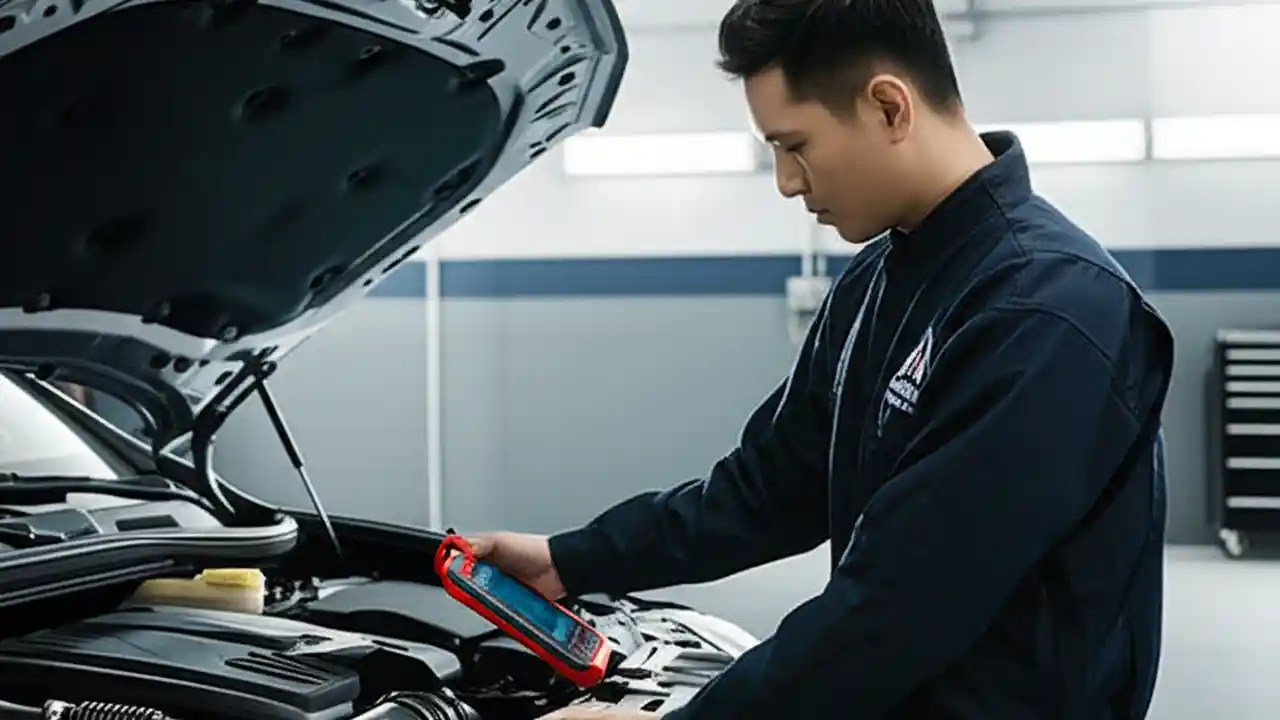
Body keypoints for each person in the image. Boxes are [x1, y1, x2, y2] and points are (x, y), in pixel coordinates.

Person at [471, 0, 1175, 717]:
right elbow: (767, 490)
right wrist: (573, 559)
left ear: (889, 108)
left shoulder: (1046, 311)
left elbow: (895, 612)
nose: (787, 181)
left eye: (795, 145)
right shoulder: (879, 281)